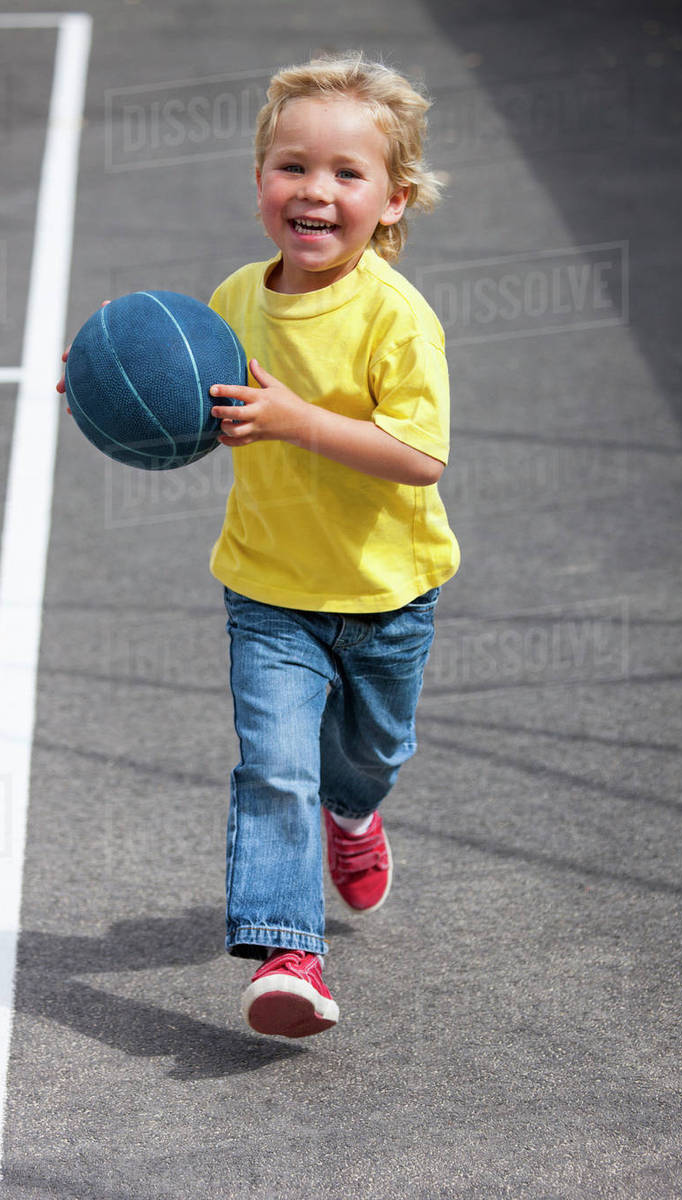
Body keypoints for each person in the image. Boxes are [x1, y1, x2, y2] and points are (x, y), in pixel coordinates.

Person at [203, 52, 460, 1038]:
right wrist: (114, 386)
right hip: (267, 590)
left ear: (391, 201)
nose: (315, 191)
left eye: (346, 174)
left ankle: (353, 816)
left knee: (370, 755)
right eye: (291, 165)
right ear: (261, 176)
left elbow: (417, 455)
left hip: (386, 595)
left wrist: (296, 416)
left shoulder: (394, 317)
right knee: (274, 766)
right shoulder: (235, 297)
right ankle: (287, 952)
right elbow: (198, 400)